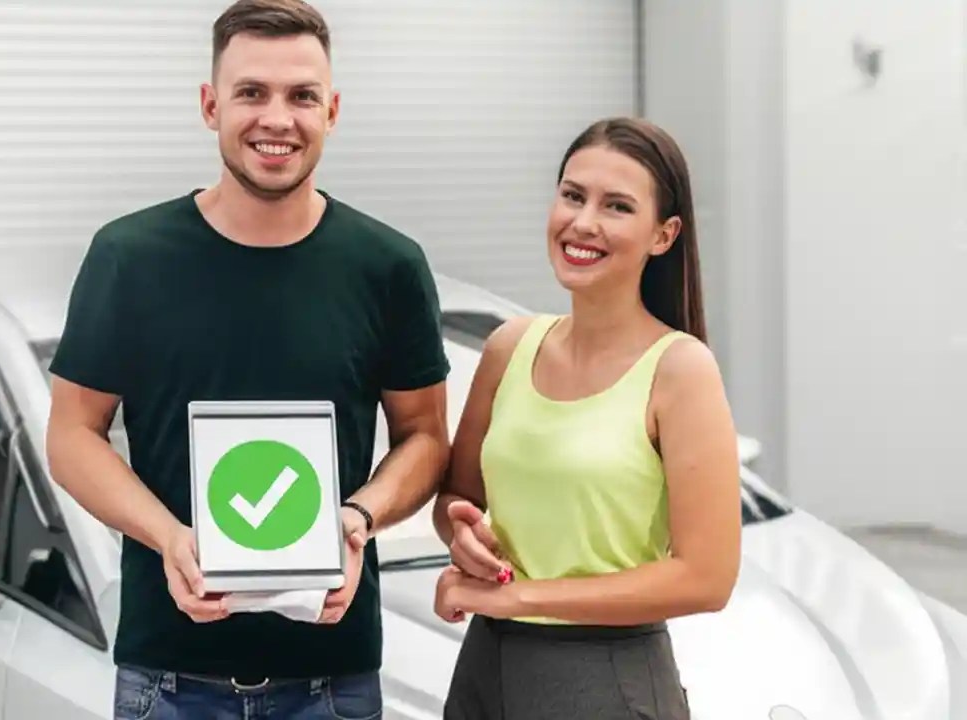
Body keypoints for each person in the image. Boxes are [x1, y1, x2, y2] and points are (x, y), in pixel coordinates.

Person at [44, 0, 451, 717]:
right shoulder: (129, 258)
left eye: (302, 96)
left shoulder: (388, 267)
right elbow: (72, 434)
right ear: (211, 106)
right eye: (252, 92)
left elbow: (424, 437)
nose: (277, 118)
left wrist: (359, 517)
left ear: (332, 111)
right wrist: (169, 539)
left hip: (332, 682)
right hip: (169, 682)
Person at [430, 117, 742, 719]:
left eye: (617, 206)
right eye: (573, 196)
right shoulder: (509, 348)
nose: (583, 222)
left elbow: (707, 579)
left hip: (605, 678)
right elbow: (457, 498)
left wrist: (519, 598)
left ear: (664, 235)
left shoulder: (680, 369)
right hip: (484, 670)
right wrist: (463, 536)